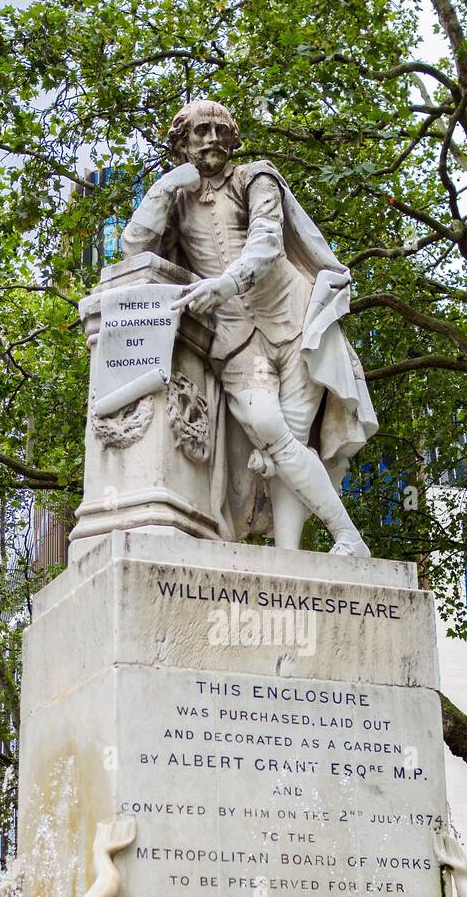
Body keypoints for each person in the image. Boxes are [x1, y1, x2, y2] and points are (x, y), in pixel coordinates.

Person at [120, 100, 378, 555]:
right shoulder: (177, 198)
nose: (213, 139)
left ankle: (288, 555)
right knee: (268, 427)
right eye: (201, 131)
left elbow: (266, 242)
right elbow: (133, 247)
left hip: (296, 323)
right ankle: (349, 535)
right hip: (237, 341)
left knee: (290, 444)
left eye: (222, 130)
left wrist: (223, 285)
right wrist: (164, 186)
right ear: (181, 143)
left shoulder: (255, 176)